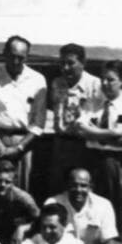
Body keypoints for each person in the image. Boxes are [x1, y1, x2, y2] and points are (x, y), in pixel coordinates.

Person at [75, 60, 122, 230]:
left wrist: (95, 134)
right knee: (94, 213)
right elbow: (80, 130)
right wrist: (114, 133)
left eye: (111, 79)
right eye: (102, 79)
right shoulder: (93, 104)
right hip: (95, 162)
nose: (105, 84)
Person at [0, 35, 47, 191]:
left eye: (20, 58)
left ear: (27, 57)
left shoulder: (37, 79)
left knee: (21, 190)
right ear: (4, 53)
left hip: (23, 143)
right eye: (12, 56)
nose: (16, 62)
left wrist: (20, 147)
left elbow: (39, 122)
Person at [47, 43, 102, 195]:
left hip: (84, 145)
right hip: (61, 144)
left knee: (82, 188)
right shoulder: (57, 83)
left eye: (70, 63)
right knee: (59, 187)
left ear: (83, 63)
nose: (65, 68)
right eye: (62, 63)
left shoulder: (95, 85)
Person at [50, 166, 118, 244]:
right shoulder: (53, 203)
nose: (78, 190)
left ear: (90, 187)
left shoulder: (104, 205)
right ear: (67, 185)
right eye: (74, 185)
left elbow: (108, 241)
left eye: (83, 185)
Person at [0, 158, 40, 244]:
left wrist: (23, 228)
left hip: (16, 243)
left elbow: (40, 221)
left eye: (7, 182)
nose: (2, 185)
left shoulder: (23, 199)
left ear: (14, 182)